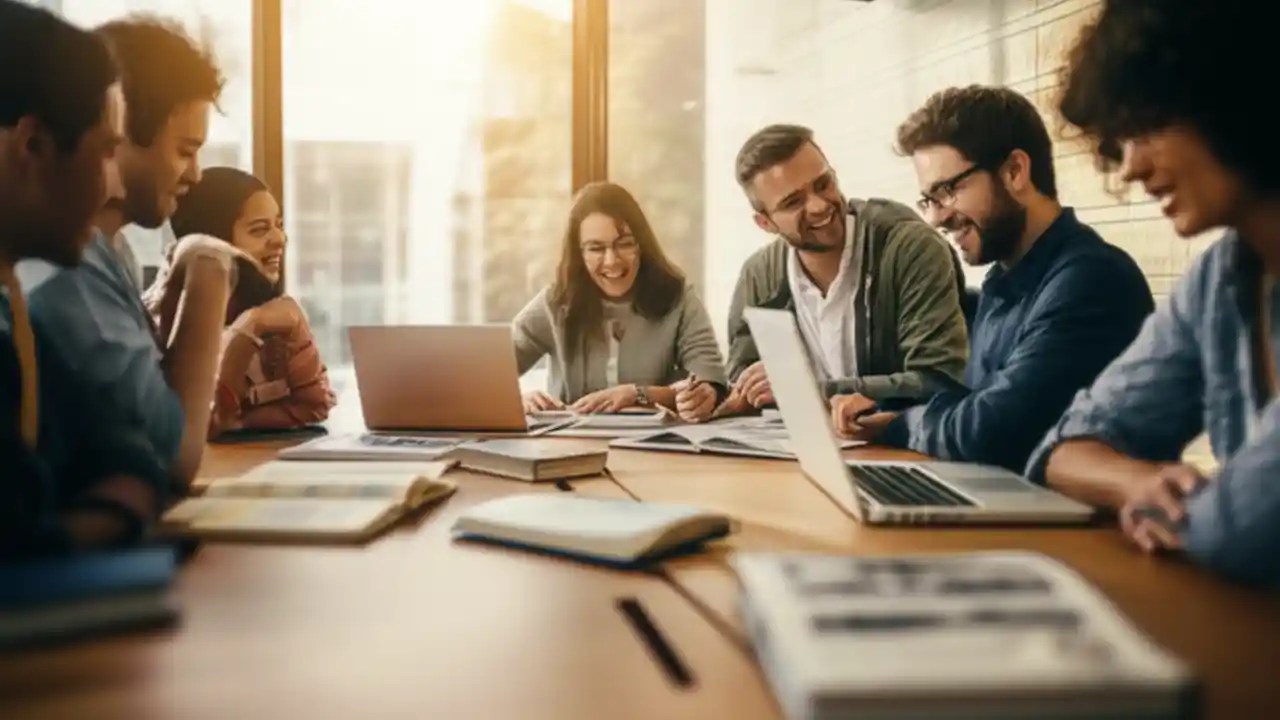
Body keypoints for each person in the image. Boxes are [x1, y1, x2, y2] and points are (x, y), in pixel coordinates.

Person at [1027, 0, 1280, 587]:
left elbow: (1241, 533)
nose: (1132, 167)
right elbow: (1061, 450)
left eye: (1147, 125)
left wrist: (1167, 508)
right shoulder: (1220, 279)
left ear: (1235, 93)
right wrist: (1135, 483)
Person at [829, 86, 1153, 472]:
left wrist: (900, 425)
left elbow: (989, 430)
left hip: (1083, 527)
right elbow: (978, 399)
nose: (936, 218)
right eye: (929, 200)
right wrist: (883, 407)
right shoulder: (1005, 280)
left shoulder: (1091, 282)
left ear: (1015, 171)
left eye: (947, 191)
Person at [17, 16, 235, 490]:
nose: (196, 175)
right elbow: (173, 457)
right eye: (185, 150)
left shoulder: (111, 256)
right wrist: (209, 274)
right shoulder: (63, 275)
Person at [0, 0, 168, 555]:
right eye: (104, 154)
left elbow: (126, 449)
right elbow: (17, 544)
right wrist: (96, 522)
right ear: (33, 147)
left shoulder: (13, 307)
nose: (111, 189)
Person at [722, 124, 968, 416]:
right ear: (766, 223)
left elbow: (939, 381)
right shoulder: (759, 275)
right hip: (798, 450)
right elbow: (742, 379)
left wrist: (807, 391)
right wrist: (712, 392)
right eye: (793, 202)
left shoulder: (909, 249)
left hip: (900, 449)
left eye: (823, 184)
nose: (818, 205)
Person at [144, 167, 335, 436]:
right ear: (213, 240)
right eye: (259, 230)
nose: (280, 239)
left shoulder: (280, 315)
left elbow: (315, 404)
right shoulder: (159, 322)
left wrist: (241, 423)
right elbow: (199, 422)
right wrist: (242, 336)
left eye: (279, 225)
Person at [514, 181, 727, 422]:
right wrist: (516, 401)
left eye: (624, 244)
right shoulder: (556, 302)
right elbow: (484, 376)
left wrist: (637, 394)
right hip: (568, 449)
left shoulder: (679, 298)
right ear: (579, 254)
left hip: (657, 449)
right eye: (596, 248)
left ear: (642, 245)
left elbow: (711, 382)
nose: (611, 261)